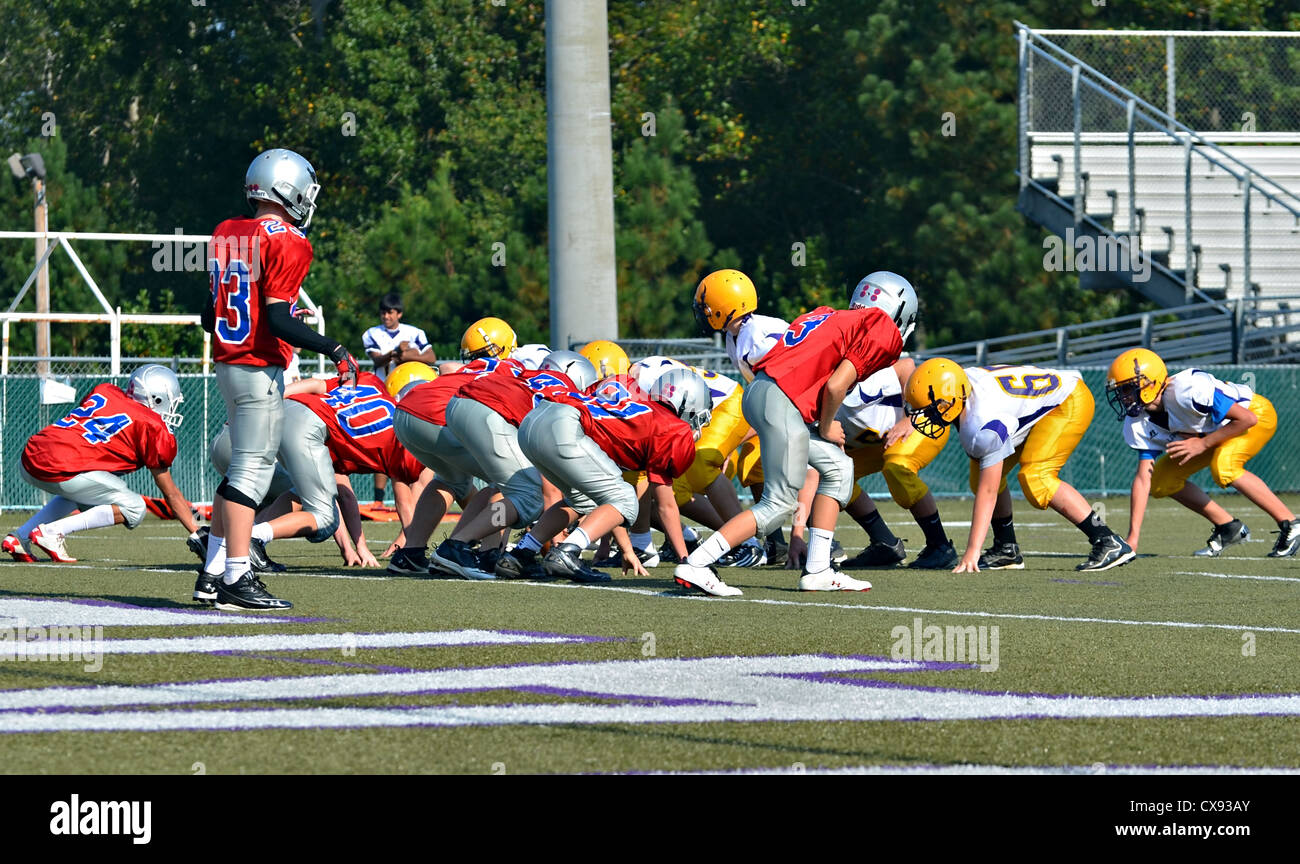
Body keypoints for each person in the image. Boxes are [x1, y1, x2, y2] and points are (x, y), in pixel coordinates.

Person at [201, 147, 358, 610]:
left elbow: (209, 314)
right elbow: (275, 320)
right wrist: (334, 348)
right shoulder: (288, 239)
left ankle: (211, 575)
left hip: (226, 362)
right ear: (287, 189)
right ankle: (235, 577)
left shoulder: (227, 231)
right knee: (252, 470)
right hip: (256, 366)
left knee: (239, 468)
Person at [673, 294, 912, 596]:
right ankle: (697, 563)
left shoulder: (827, 313)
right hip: (781, 401)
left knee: (839, 467)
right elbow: (837, 385)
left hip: (762, 392)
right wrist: (826, 427)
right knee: (777, 505)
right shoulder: (882, 328)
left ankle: (818, 569)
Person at [905, 359, 1132, 573]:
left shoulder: (980, 422)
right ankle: (1006, 548)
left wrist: (972, 551)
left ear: (952, 400)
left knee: (1037, 478)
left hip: (1067, 400)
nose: (925, 417)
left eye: (930, 410)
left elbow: (989, 491)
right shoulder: (960, 386)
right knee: (979, 477)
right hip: (1033, 404)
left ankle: (1107, 540)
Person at [506, 367, 706, 582]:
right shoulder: (674, 429)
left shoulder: (632, 394)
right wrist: (686, 561)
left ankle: (520, 555)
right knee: (626, 499)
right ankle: (567, 552)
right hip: (567, 426)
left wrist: (627, 549)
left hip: (536, 419)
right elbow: (666, 506)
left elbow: (606, 502)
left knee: (580, 500)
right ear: (689, 403)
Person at [1105, 348, 1300, 558]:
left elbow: (1246, 419)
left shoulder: (1187, 390)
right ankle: (1228, 527)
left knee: (1225, 467)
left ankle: (1291, 523)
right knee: (1161, 481)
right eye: (1121, 391)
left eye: (1127, 389)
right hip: (1211, 434)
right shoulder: (1137, 421)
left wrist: (1202, 444)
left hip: (1254, 415)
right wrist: (1133, 538)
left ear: (1151, 383)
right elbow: (1144, 478)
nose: (1123, 397)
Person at [6, 365, 201, 563]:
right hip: (60, 465)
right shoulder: (152, 425)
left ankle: (20, 538)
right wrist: (198, 532)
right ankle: (52, 532)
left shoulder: (106, 391)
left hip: (30, 457)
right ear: (157, 398)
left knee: (81, 491)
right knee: (135, 507)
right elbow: (171, 494)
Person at [431, 351, 598, 579]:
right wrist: (555, 536)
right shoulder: (563, 394)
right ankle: (456, 547)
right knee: (527, 495)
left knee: (505, 488)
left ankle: (485, 550)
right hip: (485, 411)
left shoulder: (529, 375)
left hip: (460, 405)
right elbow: (549, 485)